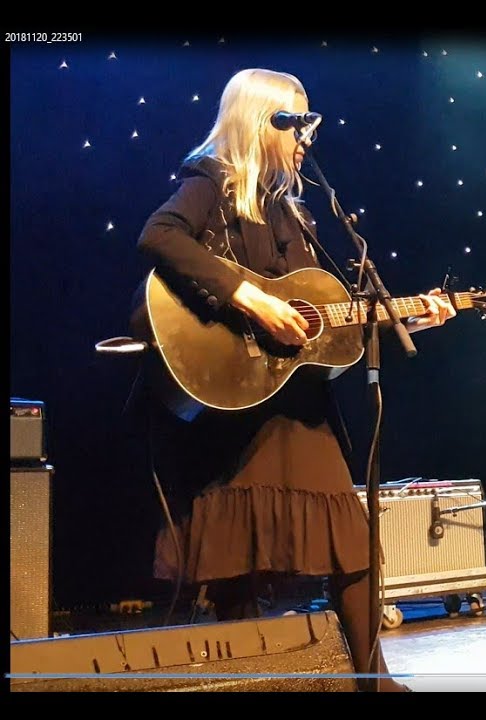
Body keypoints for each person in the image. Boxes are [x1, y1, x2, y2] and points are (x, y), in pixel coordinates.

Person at [130, 68, 456, 692]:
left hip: (297, 406)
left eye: (310, 126)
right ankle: (247, 680)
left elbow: (326, 324)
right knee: (235, 552)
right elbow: (158, 235)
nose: (307, 138)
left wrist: (407, 316)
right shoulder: (211, 183)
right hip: (234, 400)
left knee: (353, 544)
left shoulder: (296, 212)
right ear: (260, 123)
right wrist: (249, 296)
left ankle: (375, 681)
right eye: (295, 124)